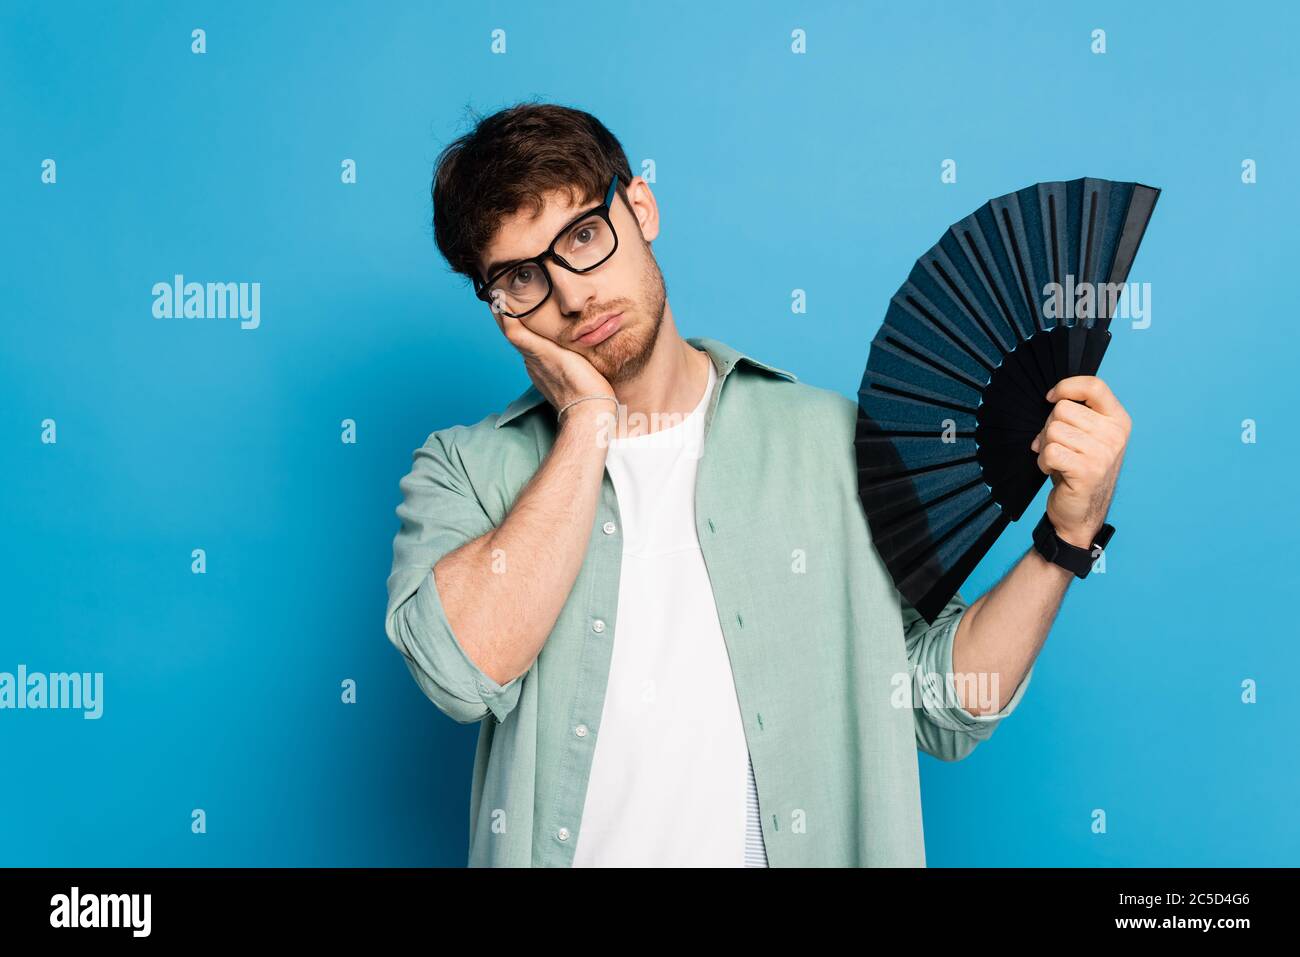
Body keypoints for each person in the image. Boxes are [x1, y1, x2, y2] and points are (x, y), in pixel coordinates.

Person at [384, 102, 1132, 867]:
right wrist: (585, 421)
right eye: (521, 278)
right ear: (500, 307)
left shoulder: (831, 442)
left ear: (640, 206)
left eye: (582, 235)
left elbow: (940, 703)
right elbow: (460, 673)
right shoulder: (464, 469)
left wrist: (1066, 538)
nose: (571, 295)